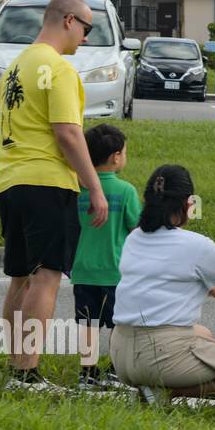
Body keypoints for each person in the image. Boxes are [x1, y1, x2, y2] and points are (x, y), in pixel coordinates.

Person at [0, 0, 107, 392]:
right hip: (47, 181)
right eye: (87, 28)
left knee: (20, 278)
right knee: (46, 277)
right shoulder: (58, 69)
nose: (86, 38)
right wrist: (94, 186)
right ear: (68, 21)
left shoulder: (17, 65)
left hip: (9, 180)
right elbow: (68, 132)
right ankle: (27, 373)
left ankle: (14, 366)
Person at [110, 165, 215, 405]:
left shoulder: (134, 237)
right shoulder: (197, 245)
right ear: (188, 203)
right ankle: (165, 394)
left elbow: (159, 275)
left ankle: (151, 386)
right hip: (159, 357)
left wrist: (209, 287)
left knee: (203, 333)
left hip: (121, 354)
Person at [71, 124, 141, 391]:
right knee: (118, 324)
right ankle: (114, 370)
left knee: (87, 323)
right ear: (115, 156)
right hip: (115, 271)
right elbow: (136, 227)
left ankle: (87, 374)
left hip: (83, 269)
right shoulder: (126, 191)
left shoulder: (79, 189)